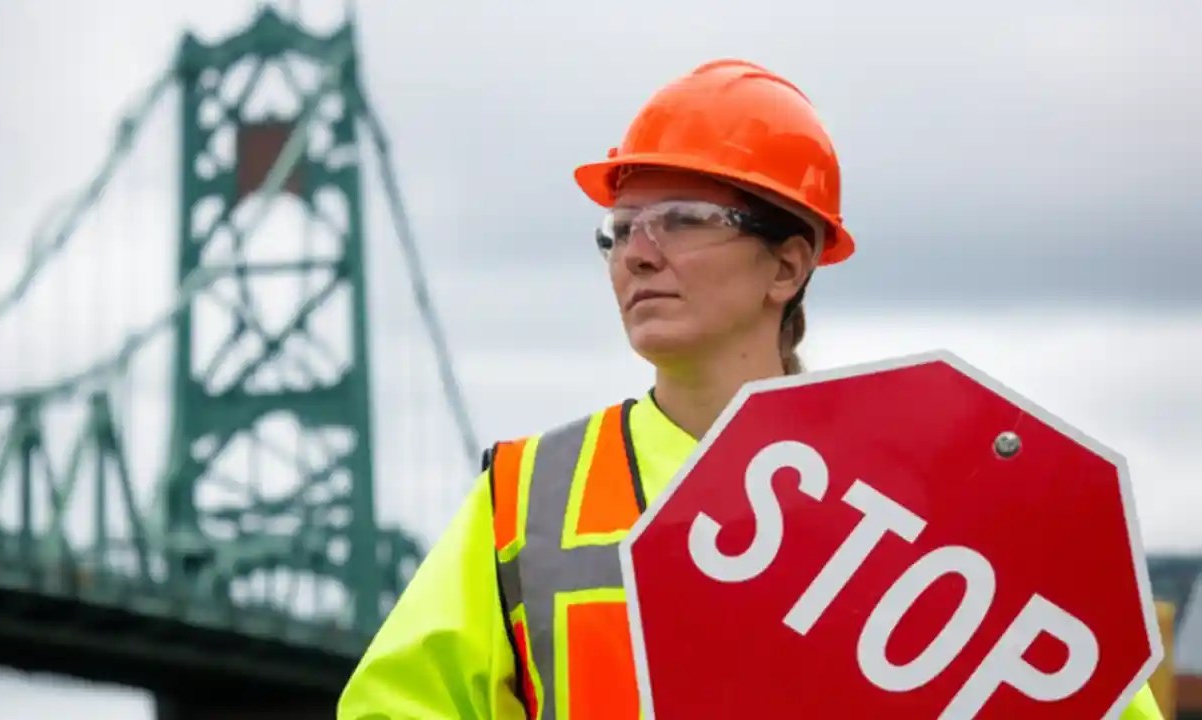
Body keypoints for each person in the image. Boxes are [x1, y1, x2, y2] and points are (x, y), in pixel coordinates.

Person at [337, 59, 1164, 719]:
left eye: (686, 218)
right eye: (620, 230)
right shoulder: (524, 503)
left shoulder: (943, 500)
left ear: (789, 263)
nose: (638, 253)